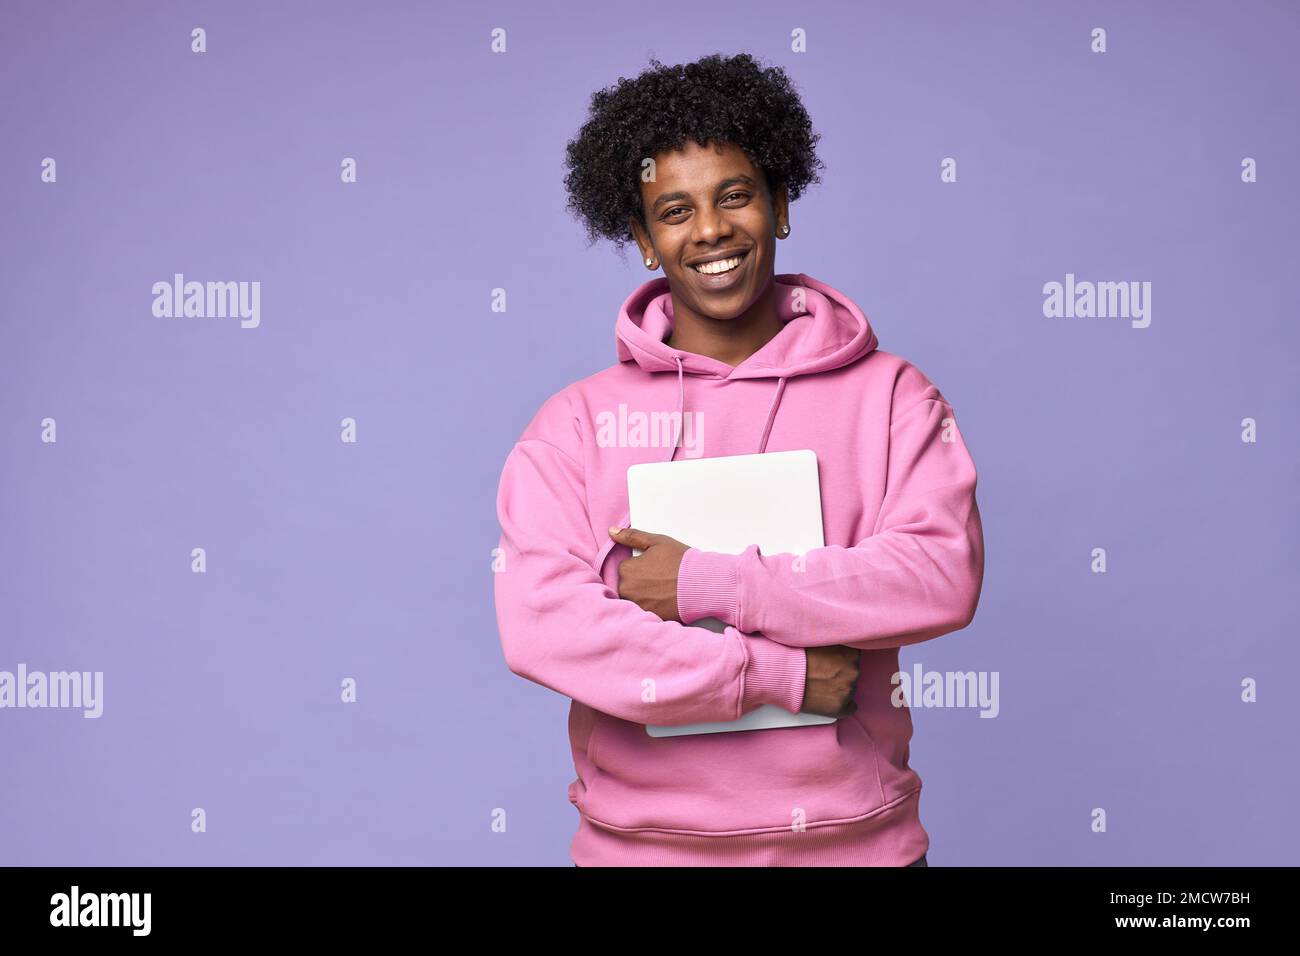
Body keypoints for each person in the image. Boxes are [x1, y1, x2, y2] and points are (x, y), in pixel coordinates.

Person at [493, 52, 984, 867]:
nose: (711, 230)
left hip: (859, 851)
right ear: (646, 241)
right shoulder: (574, 424)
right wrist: (770, 676)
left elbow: (938, 574)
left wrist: (707, 581)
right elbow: (548, 629)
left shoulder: (893, 397)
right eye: (674, 210)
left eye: (736, 195)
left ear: (781, 206)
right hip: (640, 856)